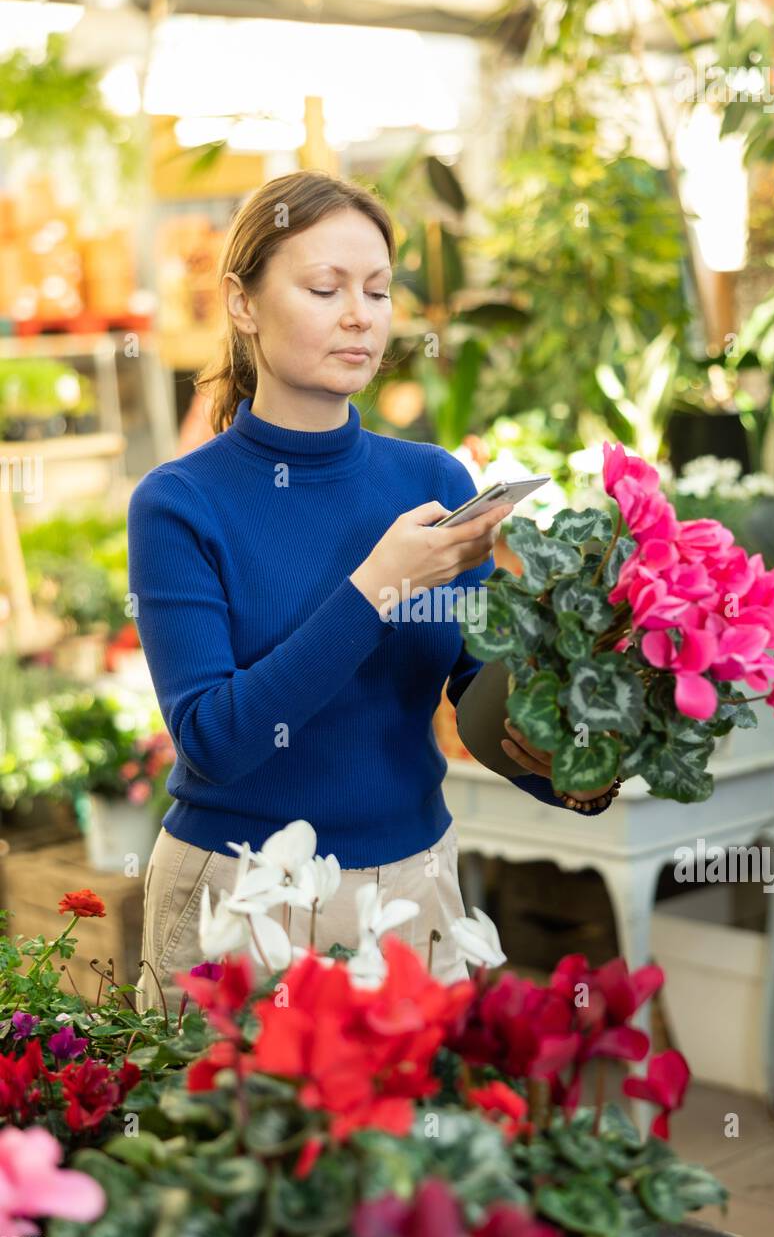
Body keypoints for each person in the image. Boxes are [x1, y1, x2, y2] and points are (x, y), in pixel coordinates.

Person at [127, 170, 617, 1010]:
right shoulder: (180, 504)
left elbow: (473, 687)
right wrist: (377, 587)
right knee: (239, 1145)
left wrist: (577, 766)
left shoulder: (427, 477)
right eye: (325, 288)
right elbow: (215, 738)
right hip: (241, 899)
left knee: (423, 1139)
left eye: (379, 290)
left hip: (414, 886)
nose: (360, 314)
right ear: (243, 303)